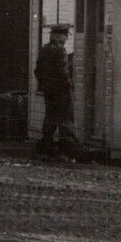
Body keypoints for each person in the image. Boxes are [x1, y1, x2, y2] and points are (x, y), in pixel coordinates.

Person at [35, 24, 79, 156]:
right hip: (62, 91)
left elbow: (37, 71)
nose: (66, 39)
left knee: (50, 118)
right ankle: (66, 151)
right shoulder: (61, 50)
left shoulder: (44, 49)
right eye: (65, 36)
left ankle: (46, 149)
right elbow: (63, 72)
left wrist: (45, 85)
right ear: (59, 36)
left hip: (49, 90)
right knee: (66, 119)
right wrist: (69, 86)